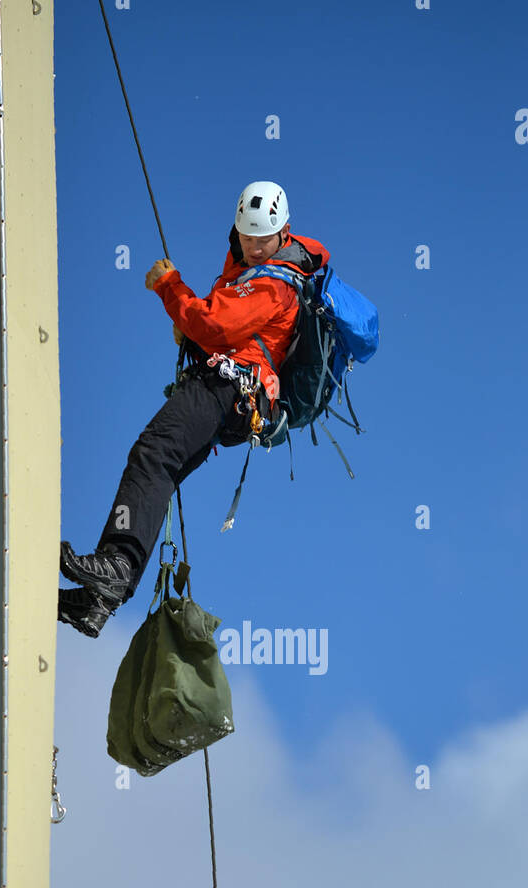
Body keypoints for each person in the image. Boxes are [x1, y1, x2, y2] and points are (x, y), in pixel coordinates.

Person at [58, 180, 330, 636]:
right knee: (159, 469)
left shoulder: (274, 284)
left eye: (262, 239)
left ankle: (115, 566)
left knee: (152, 453)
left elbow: (213, 323)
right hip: (235, 397)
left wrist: (170, 287)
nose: (254, 246)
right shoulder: (252, 272)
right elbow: (218, 324)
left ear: (284, 233)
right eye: (246, 236)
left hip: (229, 389)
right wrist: (197, 332)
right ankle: (100, 599)